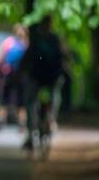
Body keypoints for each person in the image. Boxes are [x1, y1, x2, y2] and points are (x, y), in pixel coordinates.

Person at [18, 16, 66, 151]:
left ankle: (30, 133)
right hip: (51, 76)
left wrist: (21, 71)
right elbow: (62, 57)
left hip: (37, 76)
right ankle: (50, 120)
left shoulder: (36, 39)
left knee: (30, 101)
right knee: (53, 97)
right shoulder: (55, 39)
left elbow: (27, 57)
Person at [0, 23, 28, 130]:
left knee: (6, 98)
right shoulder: (26, 44)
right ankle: (21, 122)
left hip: (10, 74)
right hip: (18, 75)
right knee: (19, 100)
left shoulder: (9, 42)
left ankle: (2, 119)